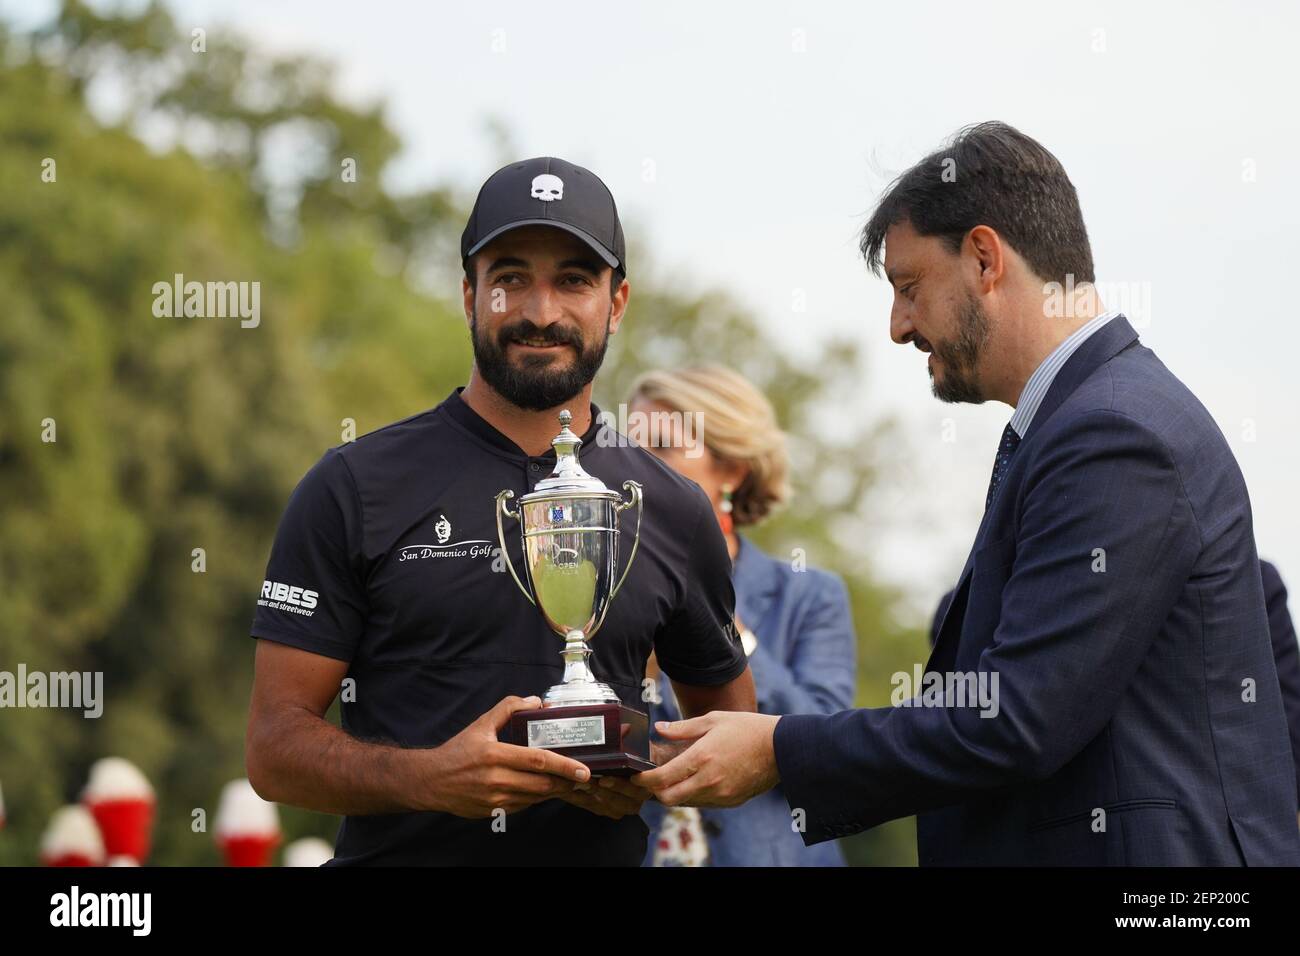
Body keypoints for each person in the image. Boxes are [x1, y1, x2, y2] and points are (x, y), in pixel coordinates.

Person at [634, 122, 1300, 865]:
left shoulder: (1114, 433)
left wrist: (782, 749)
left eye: (909, 287)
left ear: (984, 258)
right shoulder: (1079, 421)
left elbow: (1018, 718)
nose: (897, 326)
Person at [245, 156, 755, 865]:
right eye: (510, 278)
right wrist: (430, 779)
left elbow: (734, 734)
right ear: (468, 295)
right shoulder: (354, 484)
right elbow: (273, 750)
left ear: (617, 301)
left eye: (573, 280)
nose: (540, 311)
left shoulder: (672, 508)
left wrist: (642, 772)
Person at [628, 366, 855, 866]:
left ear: (732, 469)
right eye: (628, 450)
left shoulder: (810, 595)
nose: (636, 469)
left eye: (662, 446)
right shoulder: (600, 593)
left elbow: (830, 745)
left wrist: (722, 634)